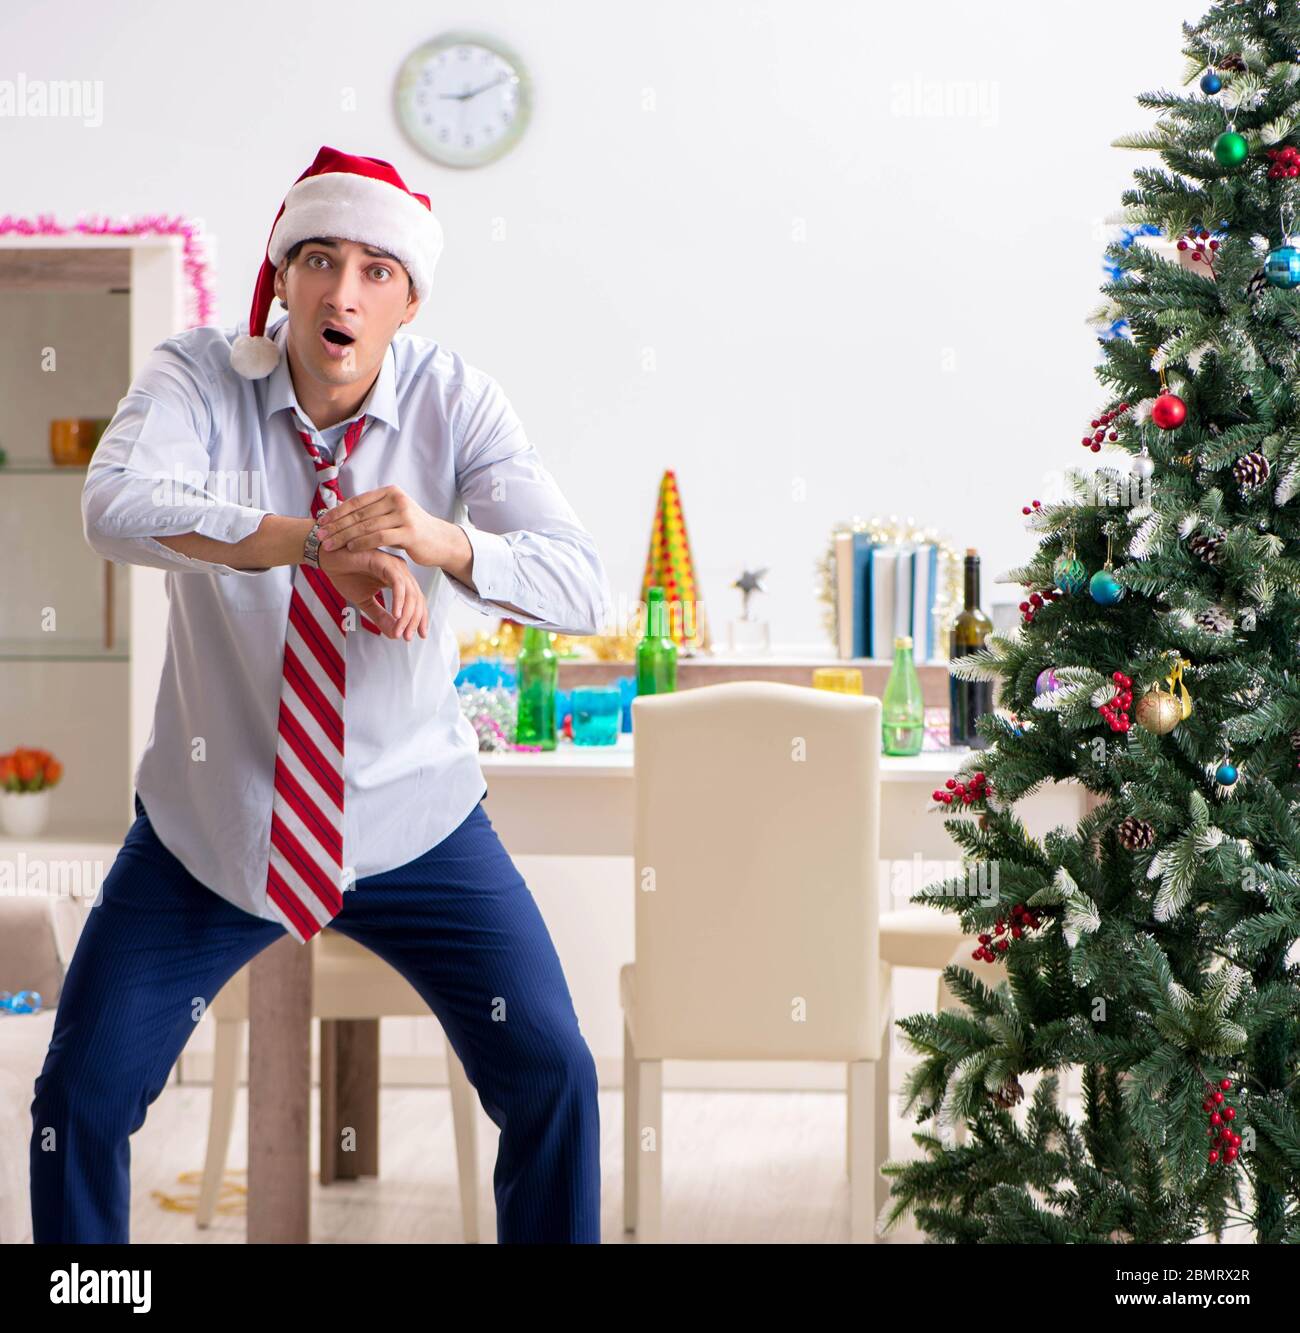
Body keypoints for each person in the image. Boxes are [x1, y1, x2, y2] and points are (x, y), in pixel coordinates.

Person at [29, 146, 611, 1244]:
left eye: (376, 270)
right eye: (319, 259)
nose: (344, 291)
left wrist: (432, 539)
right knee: (80, 1102)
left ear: (408, 300)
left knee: (554, 1074)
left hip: (415, 818)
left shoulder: (454, 399)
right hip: (215, 825)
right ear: (282, 276)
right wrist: (312, 544)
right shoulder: (200, 377)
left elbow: (580, 581)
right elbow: (114, 506)